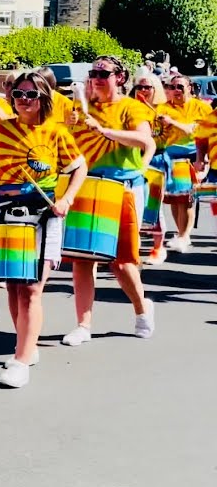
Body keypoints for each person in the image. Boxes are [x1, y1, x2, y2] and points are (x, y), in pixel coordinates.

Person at [0, 71, 87, 388]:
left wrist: (66, 198)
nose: (23, 100)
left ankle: (22, 360)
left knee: (32, 288)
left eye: (31, 95)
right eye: (18, 94)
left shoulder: (56, 132)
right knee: (13, 284)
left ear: (43, 99)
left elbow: (79, 166)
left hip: (41, 212)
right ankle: (25, 343)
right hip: (2, 209)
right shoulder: (0, 129)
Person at [63, 55, 156, 347]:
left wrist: (103, 131)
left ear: (120, 77)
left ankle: (142, 309)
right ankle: (83, 324)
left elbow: (143, 140)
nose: (96, 78)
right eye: (93, 73)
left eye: (103, 73)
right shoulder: (80, 109)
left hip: (123, 187)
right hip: (89, 185)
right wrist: (71, 123)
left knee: (121, 262)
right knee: (82, 259)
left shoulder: (132, 107)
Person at [155, 74, 210, 252]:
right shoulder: (163, 108)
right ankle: (180, 233)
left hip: (192, 156)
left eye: (180, 87)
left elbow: (193, 131)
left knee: (186, 198)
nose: (176, 91)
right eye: (172, 87)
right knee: (174, 198)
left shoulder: (201, 108)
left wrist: (171, 122)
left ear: (190, 89)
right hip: (169, 157)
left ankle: (184, 236)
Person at [134, 72, 169, 264]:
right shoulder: (132, 108)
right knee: (134, 207)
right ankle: (133, 247)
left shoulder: (164, 109)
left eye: (147, 87)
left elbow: (180, 133)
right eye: (140, 87)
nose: (143, 91)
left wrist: (169, 123)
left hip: (157, 160)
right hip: (135, 159)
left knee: (155, 206)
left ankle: (158, 247)